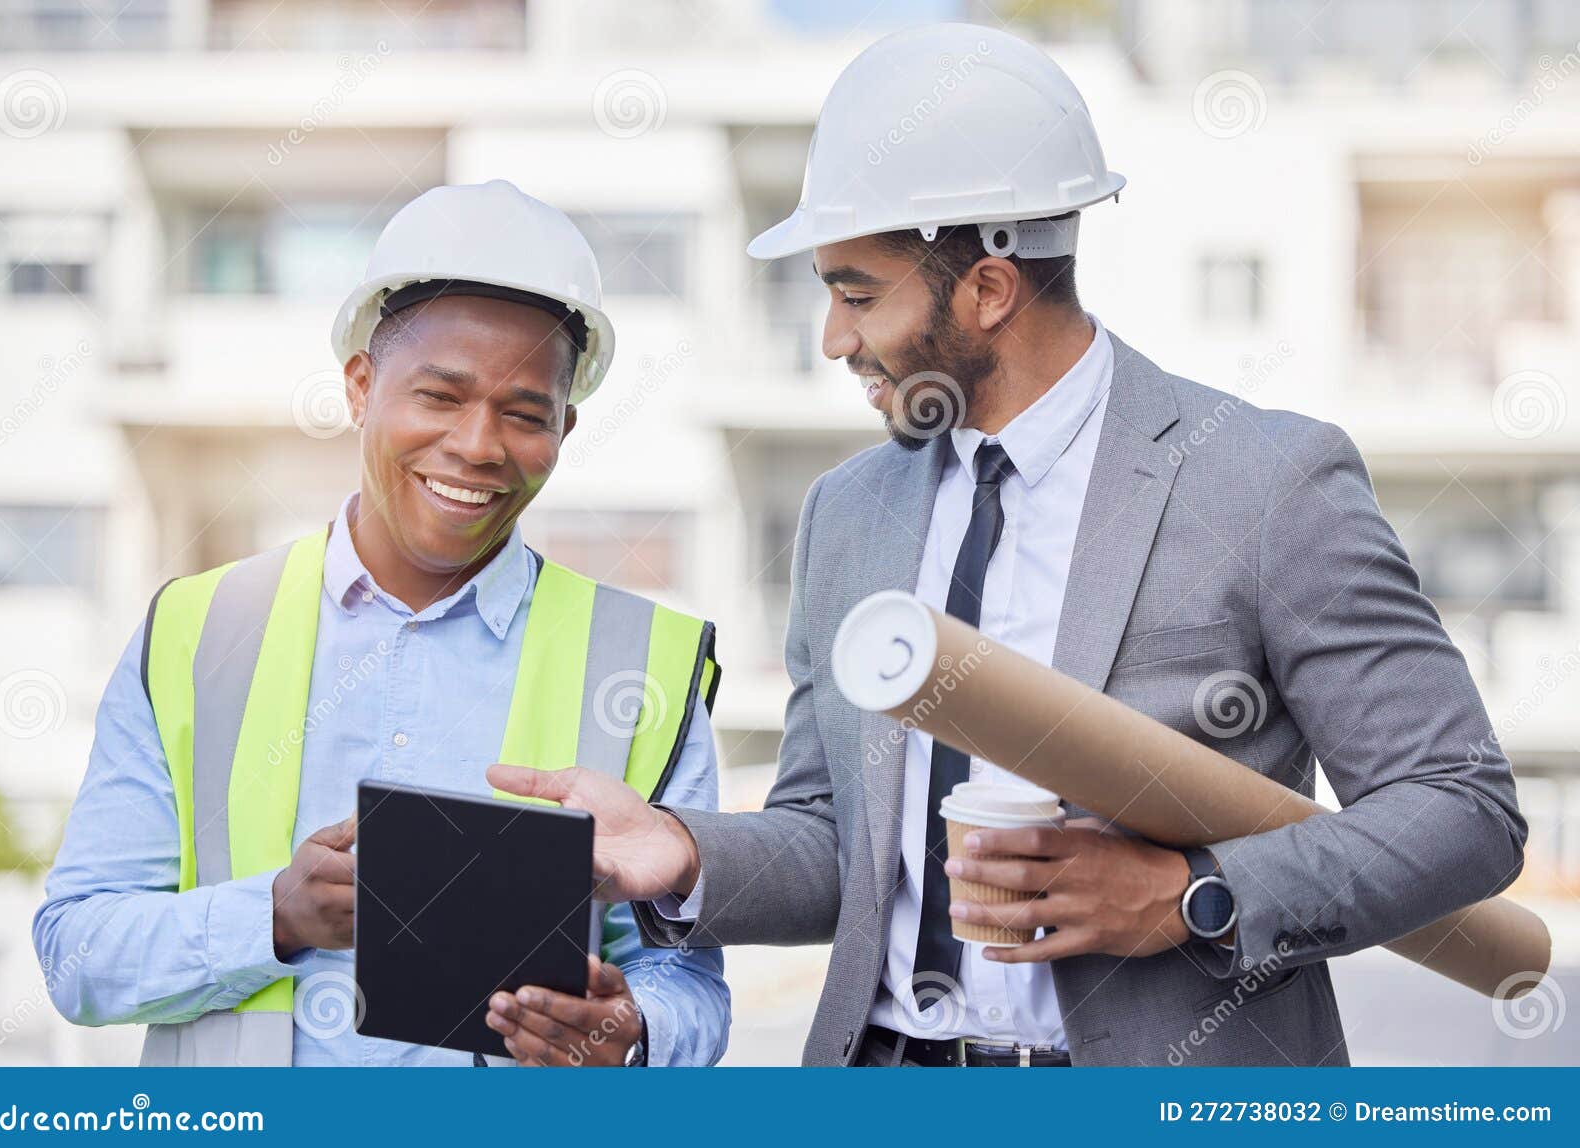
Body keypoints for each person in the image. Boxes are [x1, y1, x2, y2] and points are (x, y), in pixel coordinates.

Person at [488, 25, 1527, 1067]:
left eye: (857, 295)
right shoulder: (848, 512)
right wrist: (680, 848)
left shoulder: (1261, 483)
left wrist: (1190, 895)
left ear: (988, 289)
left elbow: (1462, 808)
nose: (834, 339)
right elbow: (836, 839)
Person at [33, 180, 730, 1067]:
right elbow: (76, 955)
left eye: (525, 414)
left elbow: (688, 984)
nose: (479, 445)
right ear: (361, 386)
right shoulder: (197, 633)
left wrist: (633, 1034)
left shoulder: (647, 666)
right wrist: (273, 917)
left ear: (566, 425)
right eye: (440, 396)